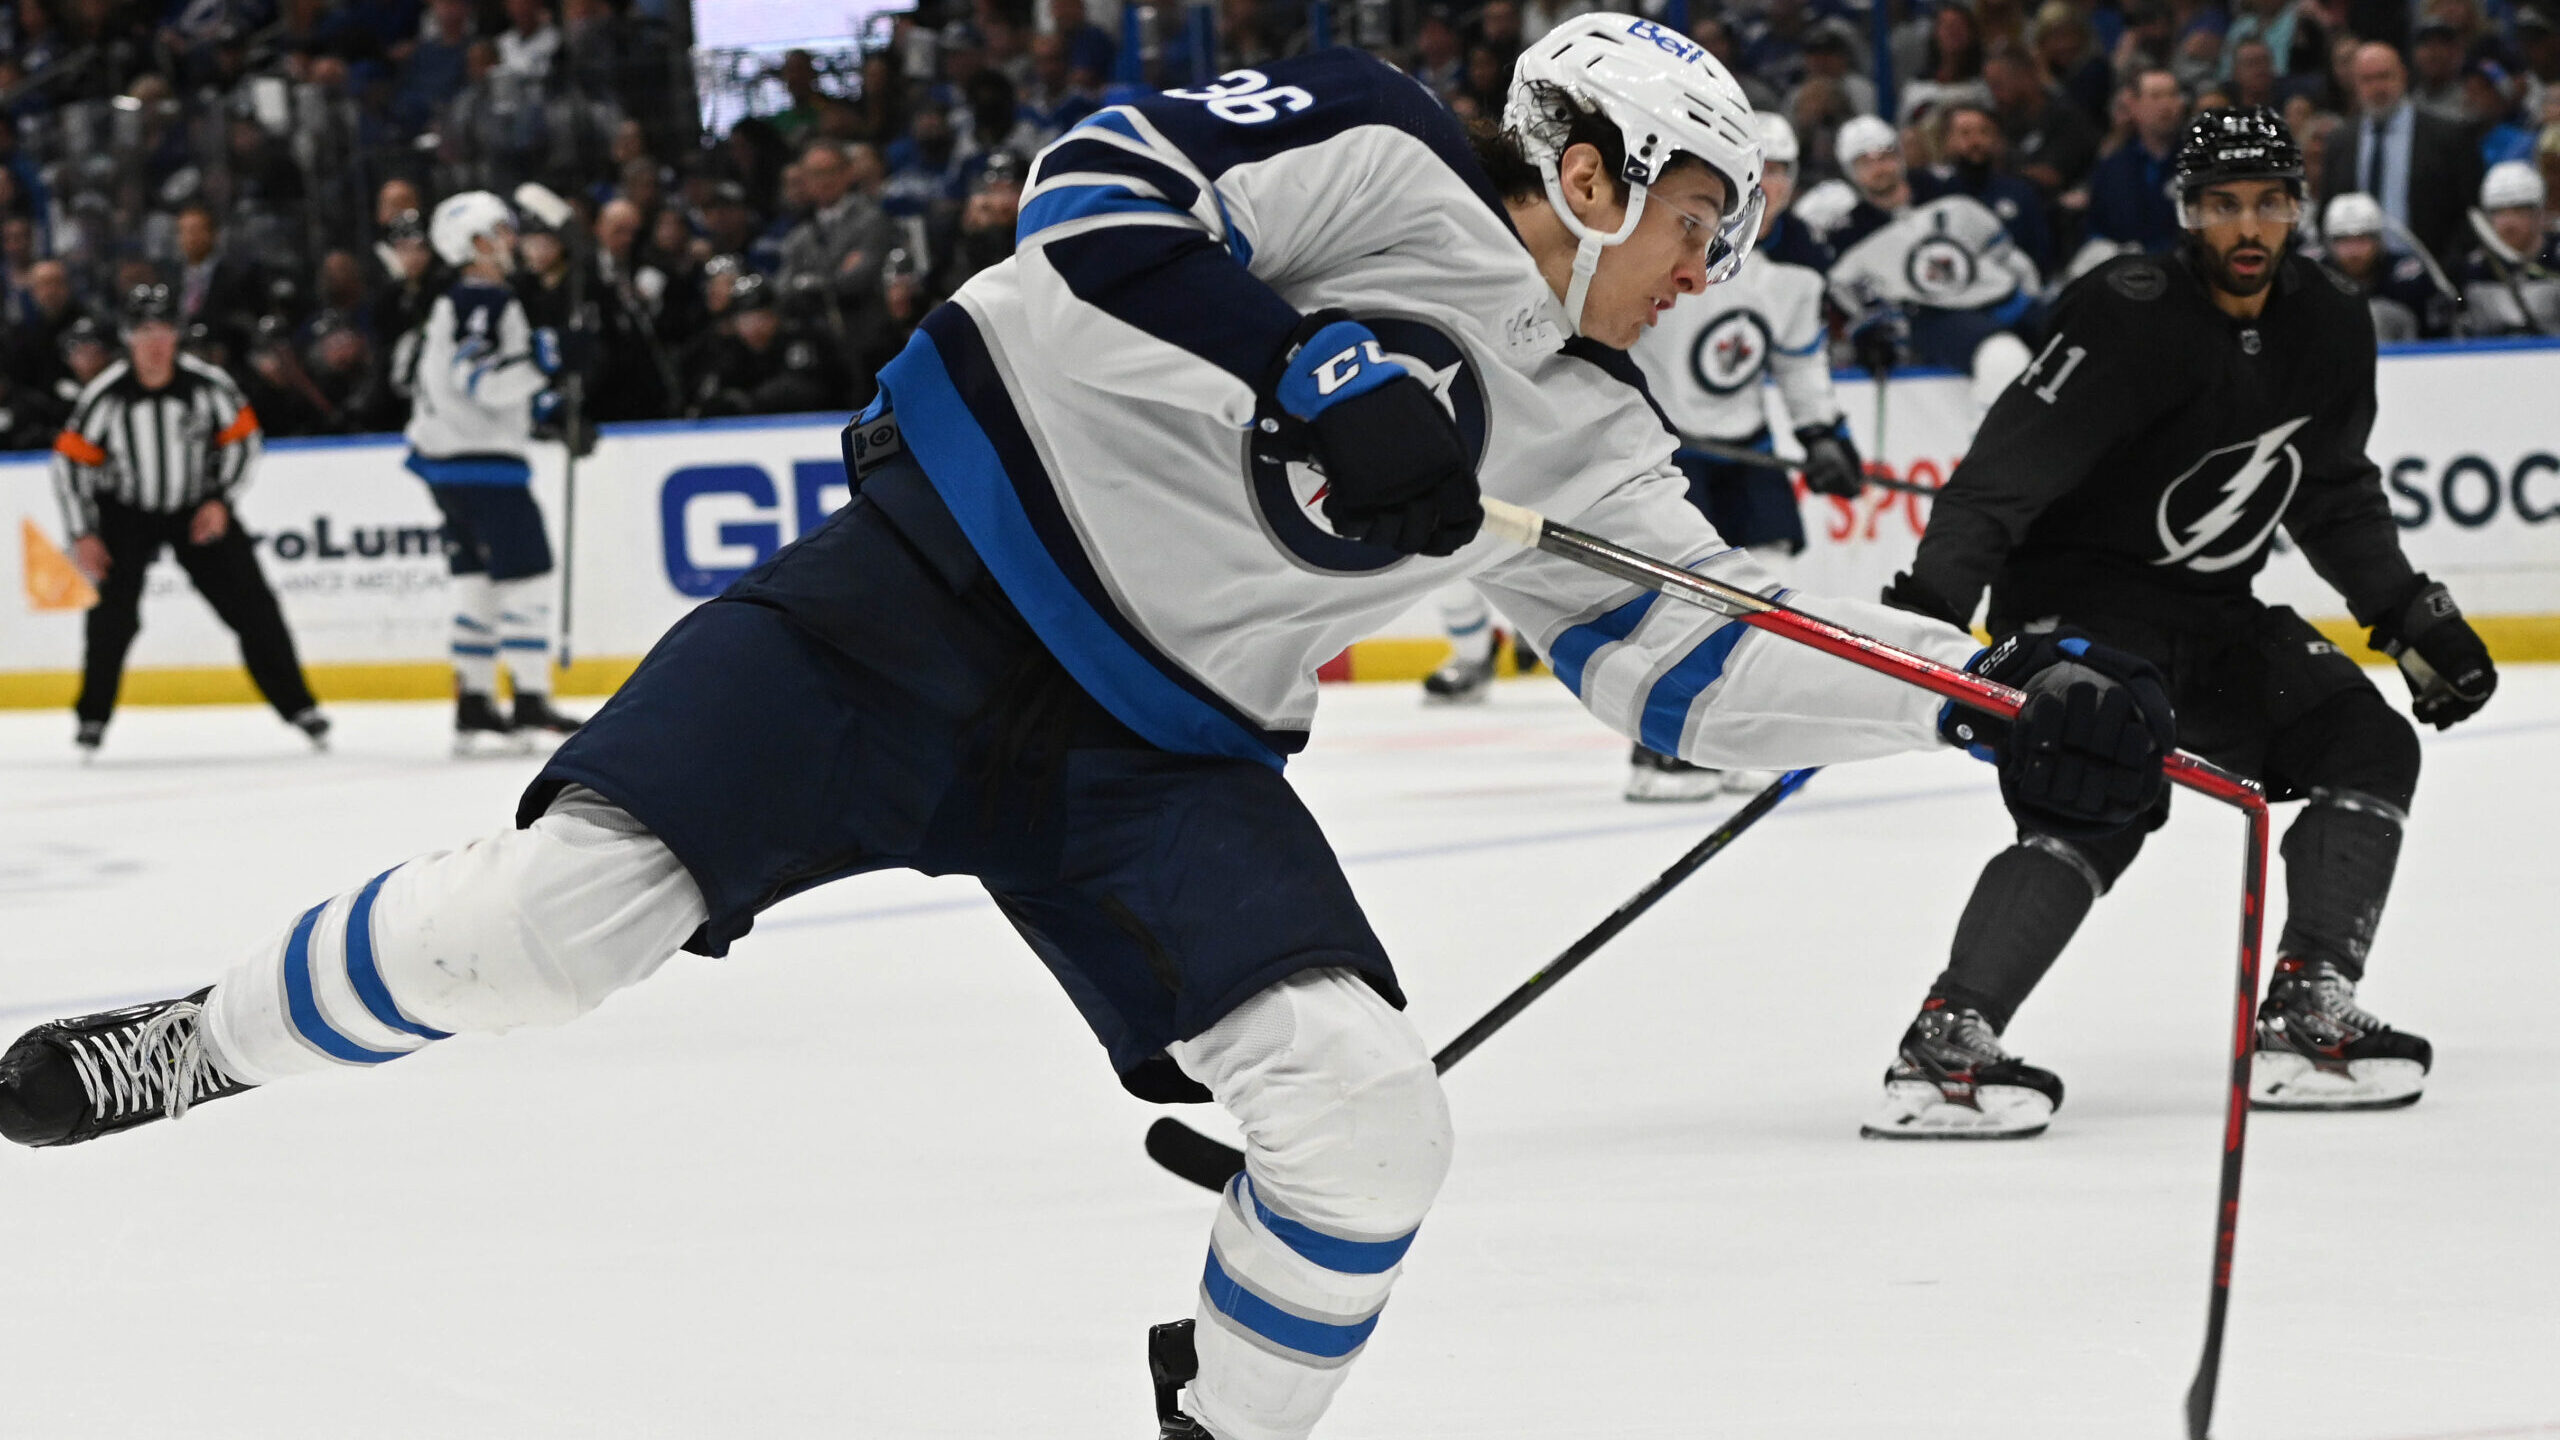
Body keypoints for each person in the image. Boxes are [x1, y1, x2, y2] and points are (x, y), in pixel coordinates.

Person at [0, 24, 2172, 1440]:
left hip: (1151, 753)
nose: (1717, 268)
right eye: (1706, 217)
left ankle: (1216, 1429)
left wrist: (1991, 710)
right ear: (1594, 165)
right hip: (911, 603)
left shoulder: (1590, 442)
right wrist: (1303, 368)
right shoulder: (1385, 145)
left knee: (1363, 1116)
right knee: (542, 932)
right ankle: (193, 1038)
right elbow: (1098, 188)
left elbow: (1681, 666)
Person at [1863, 109, 2496, 1140]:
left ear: (2295, 206)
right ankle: (1948, 1039)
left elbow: (2329, 490)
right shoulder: (2122, 312)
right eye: (2219, 205)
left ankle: (2304, 1007)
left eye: (2264, 203)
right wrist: (1933, 613)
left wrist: (2406, 611)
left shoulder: (2331, 320)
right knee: (2095, 790)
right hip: (2077, 611)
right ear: (2185, 213)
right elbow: (1998, 480)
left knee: (2365, 741)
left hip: (2213, 616)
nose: (2244, 226)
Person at [1622, 110, 1866, 801]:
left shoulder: (1797, 270)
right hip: (1670, 444)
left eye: (1787, 169)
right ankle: (1654, 752)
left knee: (1765, 589)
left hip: (1746, 445)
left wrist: (1823, 433)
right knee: (1671, 600)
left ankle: (1735, 738)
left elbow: (1797, 362)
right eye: (1767, 167)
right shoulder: (1675, 240)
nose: (1777, 182)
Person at [49, 284, 330, 757]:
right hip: (127, 513)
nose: (155, 342)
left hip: (196, 508)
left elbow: (244, 441)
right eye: (143, 331)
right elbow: (71, 465)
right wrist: (84, 532)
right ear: (127, 338)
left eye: (163, 330)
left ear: (177, 335)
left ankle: (299, 706)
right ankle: (92, 718)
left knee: (253, 607)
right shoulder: (106, 397)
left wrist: (221, 500)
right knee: (113, 618)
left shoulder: (208, 386)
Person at [403, 191, 587, 752]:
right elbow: (480, 381)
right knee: (527, 573)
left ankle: (475, 702)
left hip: (449, 465)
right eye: (497, 234)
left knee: (477, 582)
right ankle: (530, 699)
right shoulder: (482, 299)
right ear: (470, 244)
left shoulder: (460, 301)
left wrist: (548, 411)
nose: (509, 243)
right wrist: (543, 366)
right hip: (483, 465)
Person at [1821, 113, 2046, 413]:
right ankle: (1998, 453)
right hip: (1934, 317)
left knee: (2078, 337)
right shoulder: (1848, 233)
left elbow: (2002, 250)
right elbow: (1852, 300)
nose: (1879, 168)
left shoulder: (1945, 188)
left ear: (1899, 155)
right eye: (1865, 162)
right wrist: (1872, 331)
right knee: (2003, 357)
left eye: (1885, 155)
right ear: (1851, 171)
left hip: (2001, 299)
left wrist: (2029, 293)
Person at [2321, 43, 2483, 268]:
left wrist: (2446, 267)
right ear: (2354, 84)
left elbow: (2471, 213)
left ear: (2403, 76)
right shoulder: (2340, 142)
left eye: (2385, 76)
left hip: (2429, 271)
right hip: (2358, 275)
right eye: (2367, 80)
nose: (2377, 87)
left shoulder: (2448, 137)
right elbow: (2327, 212)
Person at [2313, 191, 2452, 338]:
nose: (2354, 251)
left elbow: (2438, 335)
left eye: (2362, 239)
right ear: (2329, 244)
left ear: (2378, 240)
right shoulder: (2312, 276)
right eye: (2344, 241)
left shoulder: (2408, 277)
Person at [2452, 160, 2560, 336]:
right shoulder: (2473, 270)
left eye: (2518, 211)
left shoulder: (2556, 258)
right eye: (2499, 212)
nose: (2508, 222)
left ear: (2538, 213)